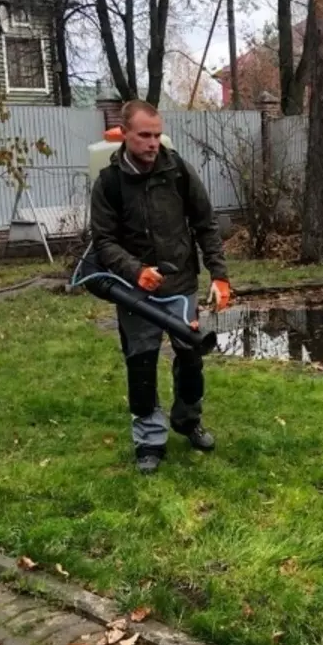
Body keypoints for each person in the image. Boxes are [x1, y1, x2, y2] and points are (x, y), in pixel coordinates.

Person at [87, 100, 232, 475]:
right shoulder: (110, 183)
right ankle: (149, 442)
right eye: (144, 136)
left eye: (156, 134)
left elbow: (205, 224)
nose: (153, 143)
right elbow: (103, 242)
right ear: (125, 134)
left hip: (180, 284)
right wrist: (135, 271)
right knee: (142, 364)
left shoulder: (177, 171)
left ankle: (187, 421)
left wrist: (219, 275)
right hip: (135, 293)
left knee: (190, 358)